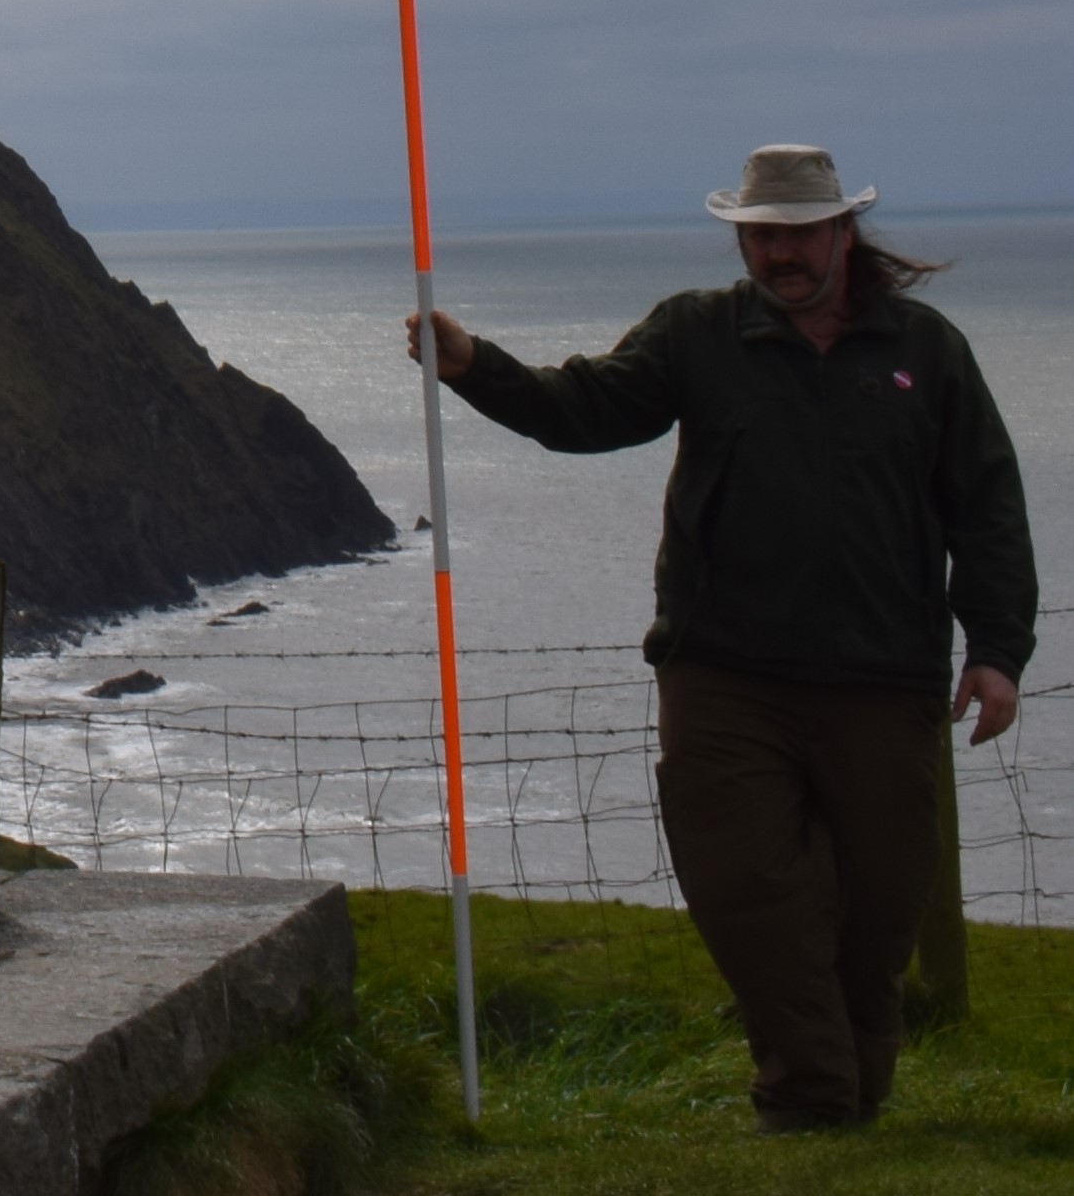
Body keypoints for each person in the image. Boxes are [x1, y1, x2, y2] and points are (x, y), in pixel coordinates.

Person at [411, 142, 1036, 1134]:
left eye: (796, 234)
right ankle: (808, 1100)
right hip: (723, 675)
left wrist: (997, 649)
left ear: (841, 232)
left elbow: (987, 505)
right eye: (760, 236)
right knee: (750, 895)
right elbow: (587, 409)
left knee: (876, 915)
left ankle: (848, 1100)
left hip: (884, 681)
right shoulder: (695, 333)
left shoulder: (927, 348)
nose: (778, 254)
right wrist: (472, 366)